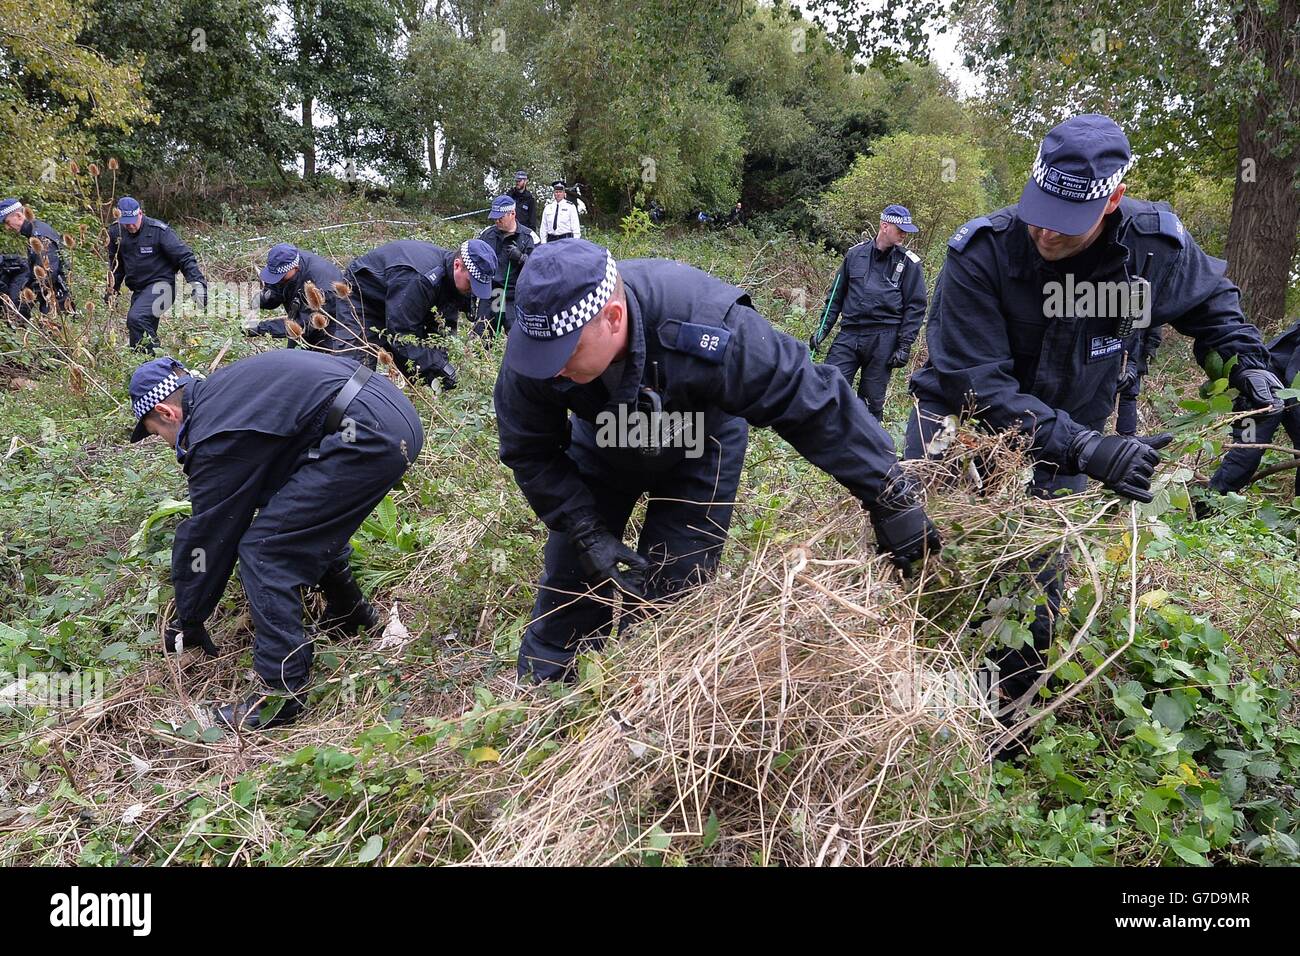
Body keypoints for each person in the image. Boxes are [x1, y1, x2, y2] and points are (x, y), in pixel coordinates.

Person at [905, 114, 1276, 714]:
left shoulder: (1153, 249)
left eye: (1068, 222)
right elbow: (979, 386)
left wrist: (1244, 363)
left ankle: (1002, 726)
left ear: (1113, 201)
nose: (1047, 232)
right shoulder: (983, 255)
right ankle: (909, 707)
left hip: (1067, 441)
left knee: (1036, 594)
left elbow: (1211, 304)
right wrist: (1086, 448)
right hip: (962, 427)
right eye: (1041, 209)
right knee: (924, 561)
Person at [494, 239, 941, 683]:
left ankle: (645, 699)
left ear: (612, 318)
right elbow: (530, 449)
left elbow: (806, 397)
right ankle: (544, 698)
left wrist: (889, 493)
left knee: (672, 593)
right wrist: (586, 530)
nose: (552, 369)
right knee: (572, 582)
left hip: (699, 441)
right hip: (604, 440)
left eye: (566, 355)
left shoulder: (702, 321)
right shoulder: (540, 343)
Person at [128, 350, 424, 730]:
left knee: (265, 552)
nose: (166, 444)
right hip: (392, 413)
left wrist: (190, 616)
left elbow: (208, 538)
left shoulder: (215, 434)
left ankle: (281, 694)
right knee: (293, 521)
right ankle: (351, 614)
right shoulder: (228, 394)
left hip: (367, 433)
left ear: (168, 414)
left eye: (157, 435)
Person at [810, 205, 927, 420]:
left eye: (906, 230)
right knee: (828, 385)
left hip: (884, 337)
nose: (904, 234)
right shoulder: (855, 255)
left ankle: (865, 448)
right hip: (850, 333)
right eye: (900, 229)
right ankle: (827, 442)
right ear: (884, 225)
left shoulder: (909, 263)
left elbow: (915, 307)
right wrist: (822, 329)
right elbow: (836, 294)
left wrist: (904, 346)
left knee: (871, 401)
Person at [343, 238, 496, 387]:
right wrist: (436, 365)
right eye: (471, 283)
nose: (473, 291)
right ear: (457, 265)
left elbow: (439, 332)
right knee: (355, 375)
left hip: (398, 305)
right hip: (362, 298)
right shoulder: (420, 279)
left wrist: (440, 368)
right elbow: (401, 334)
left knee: (423, 372)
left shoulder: (451, 282)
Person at [1206, 317, 1300, 498]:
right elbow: (1294, 374)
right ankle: (1210, 505)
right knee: (1246, 449)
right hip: (1260, 384)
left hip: (1276, 383)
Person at [106, 197, 207, 352]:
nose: (131, 225)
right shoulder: (116, 233)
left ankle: (156, 363)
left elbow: (185, 257)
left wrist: (198, 284)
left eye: (133, 220)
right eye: (126, 222)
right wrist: (112, 290)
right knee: (139, 337)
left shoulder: (158, 231)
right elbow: (116, 266)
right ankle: (146, 366)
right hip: (139, 291)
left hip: (162, 287)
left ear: (140, 213)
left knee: (136, 318)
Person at [246, 242, 367, 354]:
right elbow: (275, 289)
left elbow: (300, 326)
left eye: (281, 277)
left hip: (331, 329)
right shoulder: (286, 258)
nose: (277, 280)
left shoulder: (322, 289)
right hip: (301, 310)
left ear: (296, 268)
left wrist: (257, 328)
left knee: (318, 362)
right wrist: (254, 302)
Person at [475, 195, 538, 335]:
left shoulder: (529, 237)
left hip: (514, 297)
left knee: (517, 339)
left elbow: (539, 269)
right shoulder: (487, 235)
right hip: (492, 295)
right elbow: (474, 265)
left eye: (500, 217)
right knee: (482, 337)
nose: (497, 221)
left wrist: (522, 258)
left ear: (512, 214)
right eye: (494, 217)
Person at [1, 197, 71, 315]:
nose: (7, 228)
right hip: (53, 298)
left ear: (18, 216)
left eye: (7, 222)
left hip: (57, 301)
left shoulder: (40, 236)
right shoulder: (36, 231)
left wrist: (26, 300)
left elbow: (48, 274)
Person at [1115, 325, 1164, 437]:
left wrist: (1151, 346)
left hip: (1135, 349)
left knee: (1127, 394)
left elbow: (1153, 318)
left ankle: (1127, 438)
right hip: (1108, 348)